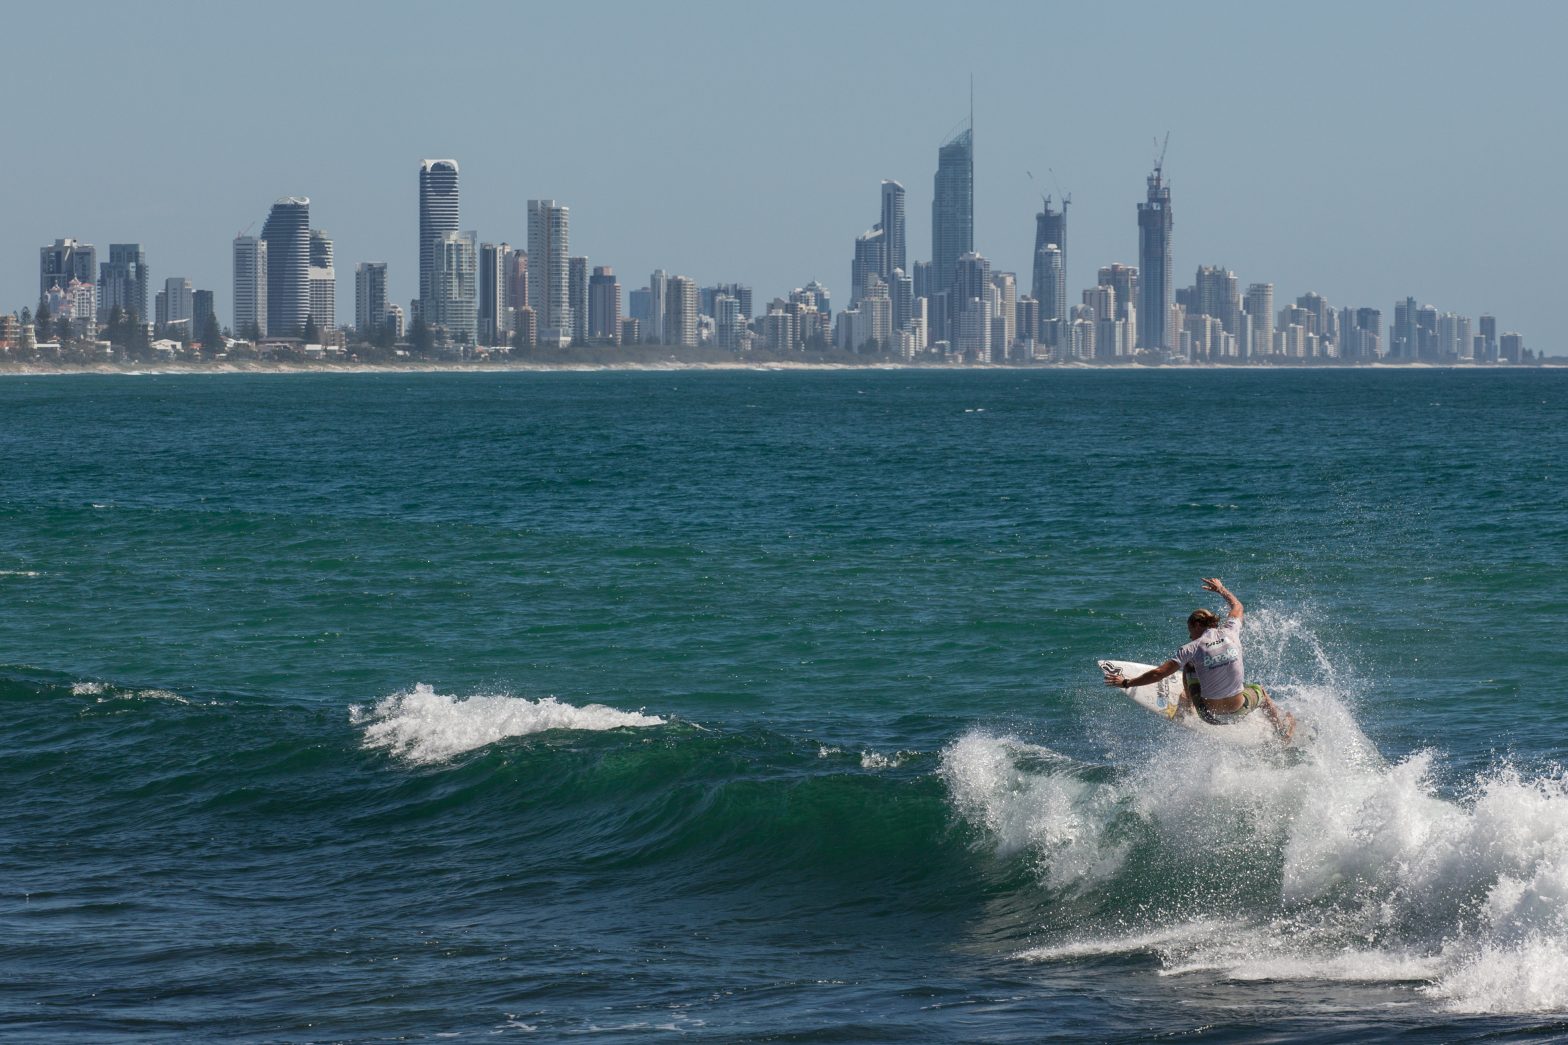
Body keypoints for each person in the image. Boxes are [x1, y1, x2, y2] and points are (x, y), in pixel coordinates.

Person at [1103, 578, 1294, 741]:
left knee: (1188, 666)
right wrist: (1221, 589)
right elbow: (1237, 606)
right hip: (1240, 711)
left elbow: (1159, 673)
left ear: (1195, 624)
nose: (1189, 635)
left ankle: (1190, 703)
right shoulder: (1231, 631)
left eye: (1189, 630)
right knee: (1259, 690)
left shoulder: (1191, 648)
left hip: (1209, 715)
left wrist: (1127, 682)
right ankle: (1281, 730)